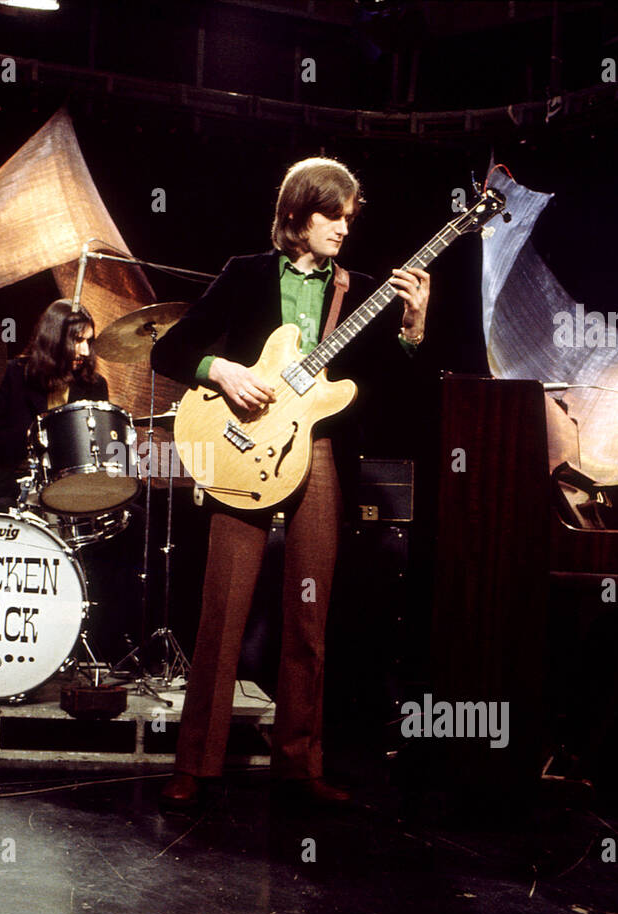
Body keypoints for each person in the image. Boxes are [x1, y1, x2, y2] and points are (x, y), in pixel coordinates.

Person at [149, 156, 430, 806]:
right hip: (241, 450)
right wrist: (222, 371)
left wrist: (414, 324)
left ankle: (300, 766)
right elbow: (167, 349)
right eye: (333, 214)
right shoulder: (245, 274)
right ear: (299, 214)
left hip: (322, 452)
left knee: (309, 615)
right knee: (223, 608)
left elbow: (397, 387)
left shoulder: (356, 289)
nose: (343, 228)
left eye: (349, 217)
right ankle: (196, 764)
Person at [0, 298, 108, 508]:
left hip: (76, 489)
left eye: (89, 341)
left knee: (134, 516)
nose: (85, 351)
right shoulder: (11, 375)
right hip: (16, 487)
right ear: (54, 339)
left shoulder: (94, 385)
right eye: (78, 340)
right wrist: (40, 438)